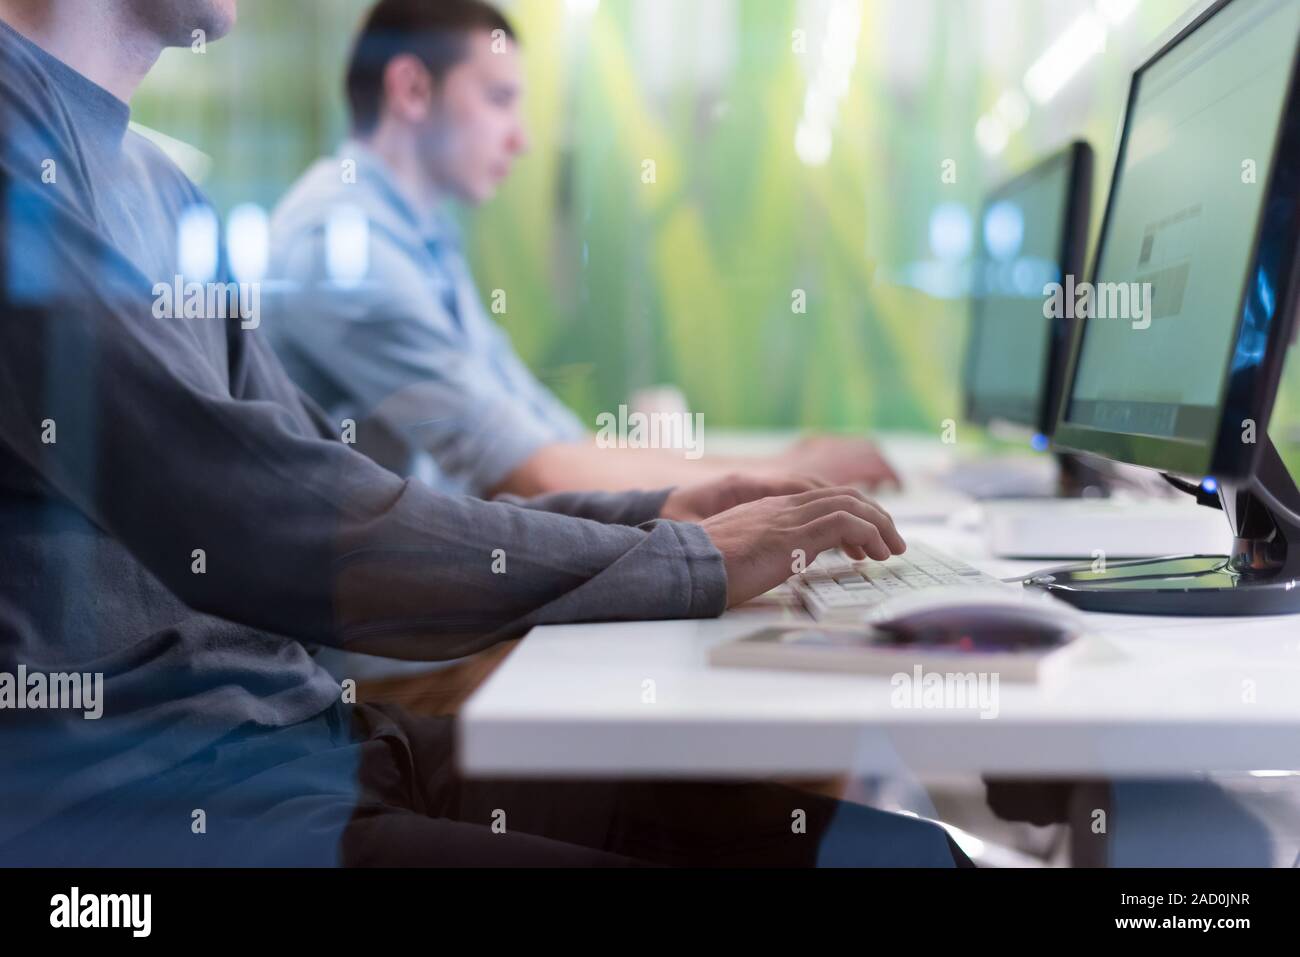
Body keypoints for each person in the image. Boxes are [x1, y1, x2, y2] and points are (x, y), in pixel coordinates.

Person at [0, 0, 965, 867]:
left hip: (316, 738)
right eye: (500, 96)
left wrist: (660, 512)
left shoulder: (167, 192)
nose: (523, 135)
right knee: (780, 740)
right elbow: (260, 515)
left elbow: (322, 472)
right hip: (137, 804)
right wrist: (684, 556)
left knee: (903, 858)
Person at [266, 0, 900, 501]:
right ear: (410, 89)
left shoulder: (419, 241)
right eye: (500, 99)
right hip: (378, 659)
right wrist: (773, 477)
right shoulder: (342, 248)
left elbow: (553, 440)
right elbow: (531, 472)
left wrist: (779, 468)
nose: (523, 140)